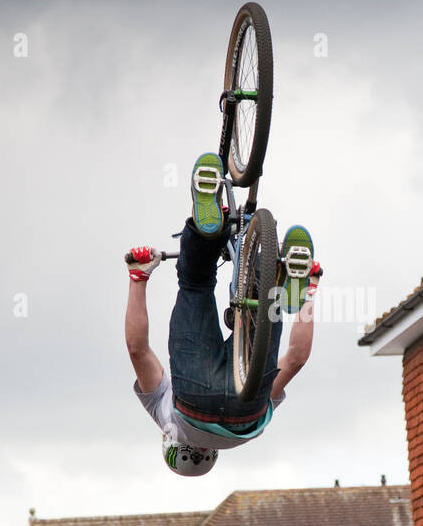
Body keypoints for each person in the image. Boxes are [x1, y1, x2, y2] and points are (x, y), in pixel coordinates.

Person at [126, 154, 320, 477]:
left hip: (249, 413)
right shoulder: (164, 417)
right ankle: (206, 232)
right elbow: (137, 348)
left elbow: (297, 357)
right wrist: (138, 276)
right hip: (191, 403)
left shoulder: (237, 435)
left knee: (264, 294)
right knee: (195, 282)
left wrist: (312, 290)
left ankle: (290, 280)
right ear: (168, 441)